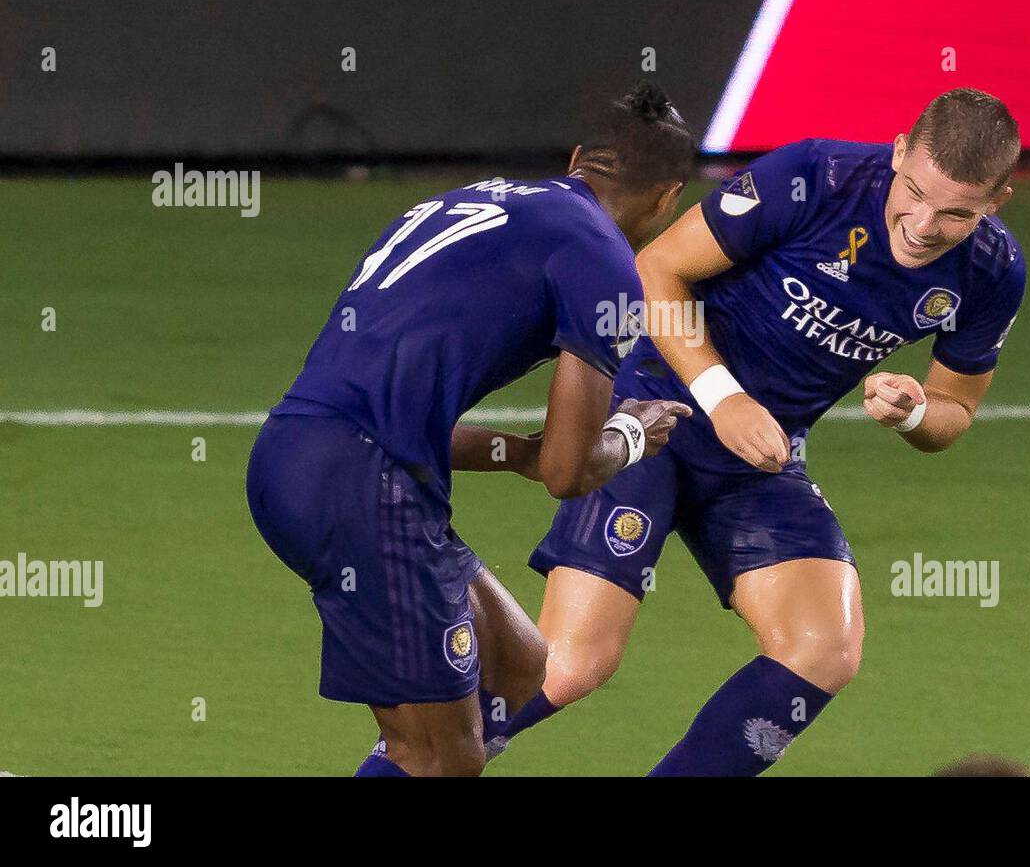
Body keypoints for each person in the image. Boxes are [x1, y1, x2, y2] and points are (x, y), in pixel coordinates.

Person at [512, 87, 1027, 775]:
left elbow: (952, 412)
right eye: (914, 192)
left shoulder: (992, 273)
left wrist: (912, 412)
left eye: (956, 212)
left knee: (825, 646)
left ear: (997, 202)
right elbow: (658, 268)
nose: (924, 225)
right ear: (899, 151)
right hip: (652, 407)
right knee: (575, 661)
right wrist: (721, 396)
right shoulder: (817, 177)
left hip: (761, 451)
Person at [245, 82, 695, 776]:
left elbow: (384, 398)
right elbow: (568, 474)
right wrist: (633, 432)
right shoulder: (604, 262)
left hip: (295, 452)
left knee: (515, 664)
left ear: (577, 159)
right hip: (367, 485)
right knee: (441, 759)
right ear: (668, 198)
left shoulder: (468, 202)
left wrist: (514, 451)